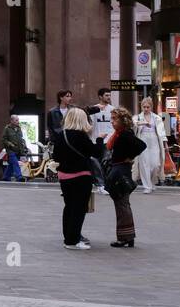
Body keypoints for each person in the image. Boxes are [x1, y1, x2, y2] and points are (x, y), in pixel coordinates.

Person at [51, 108, 99, 250]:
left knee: (69, 206)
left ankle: (68, 238)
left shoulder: (61, 135)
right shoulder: (81, 136)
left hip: (64, 176)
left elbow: (56, 157)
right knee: (79, 209)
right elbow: (95, 152)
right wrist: (100, 140)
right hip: (81, 175)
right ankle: (73, 240)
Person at [104, 108, 147, 248]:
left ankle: (126, 237)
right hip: (120, 169)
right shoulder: (120, 134)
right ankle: (126, 236)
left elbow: (141, 145)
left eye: (115, 119)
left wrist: (130, 157)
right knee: (122, 203)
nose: (112, 121)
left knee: (122, 203)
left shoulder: (124, 134)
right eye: (112, 118)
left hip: (121, 170)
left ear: (123, 120)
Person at [133, 96, 166, 193]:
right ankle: (147, 186)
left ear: (151, 107)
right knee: (144, 164)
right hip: (142, 140)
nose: (146, 109)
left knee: (155, 164)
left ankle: (152, 182)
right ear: (141, 107)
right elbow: (133, 124)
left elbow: (162, 132)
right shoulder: (137, 117)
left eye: (148, 107)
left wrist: (165, 145)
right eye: (144, 107)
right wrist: (142, 123)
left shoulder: (157, 118)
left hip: (154, 141)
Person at [0, 114, 27, 182]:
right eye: (16, 120)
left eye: (18, 120)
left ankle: (6, 177)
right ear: (11, 121)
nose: (18, 121)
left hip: (18, 150)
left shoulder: (19, 128)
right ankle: (19, 177)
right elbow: (3, 139)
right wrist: (10, 144)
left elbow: (20, 140)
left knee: (11, 165)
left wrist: (23, 149)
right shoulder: (7, 129)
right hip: (10, 150)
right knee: (15, 163)